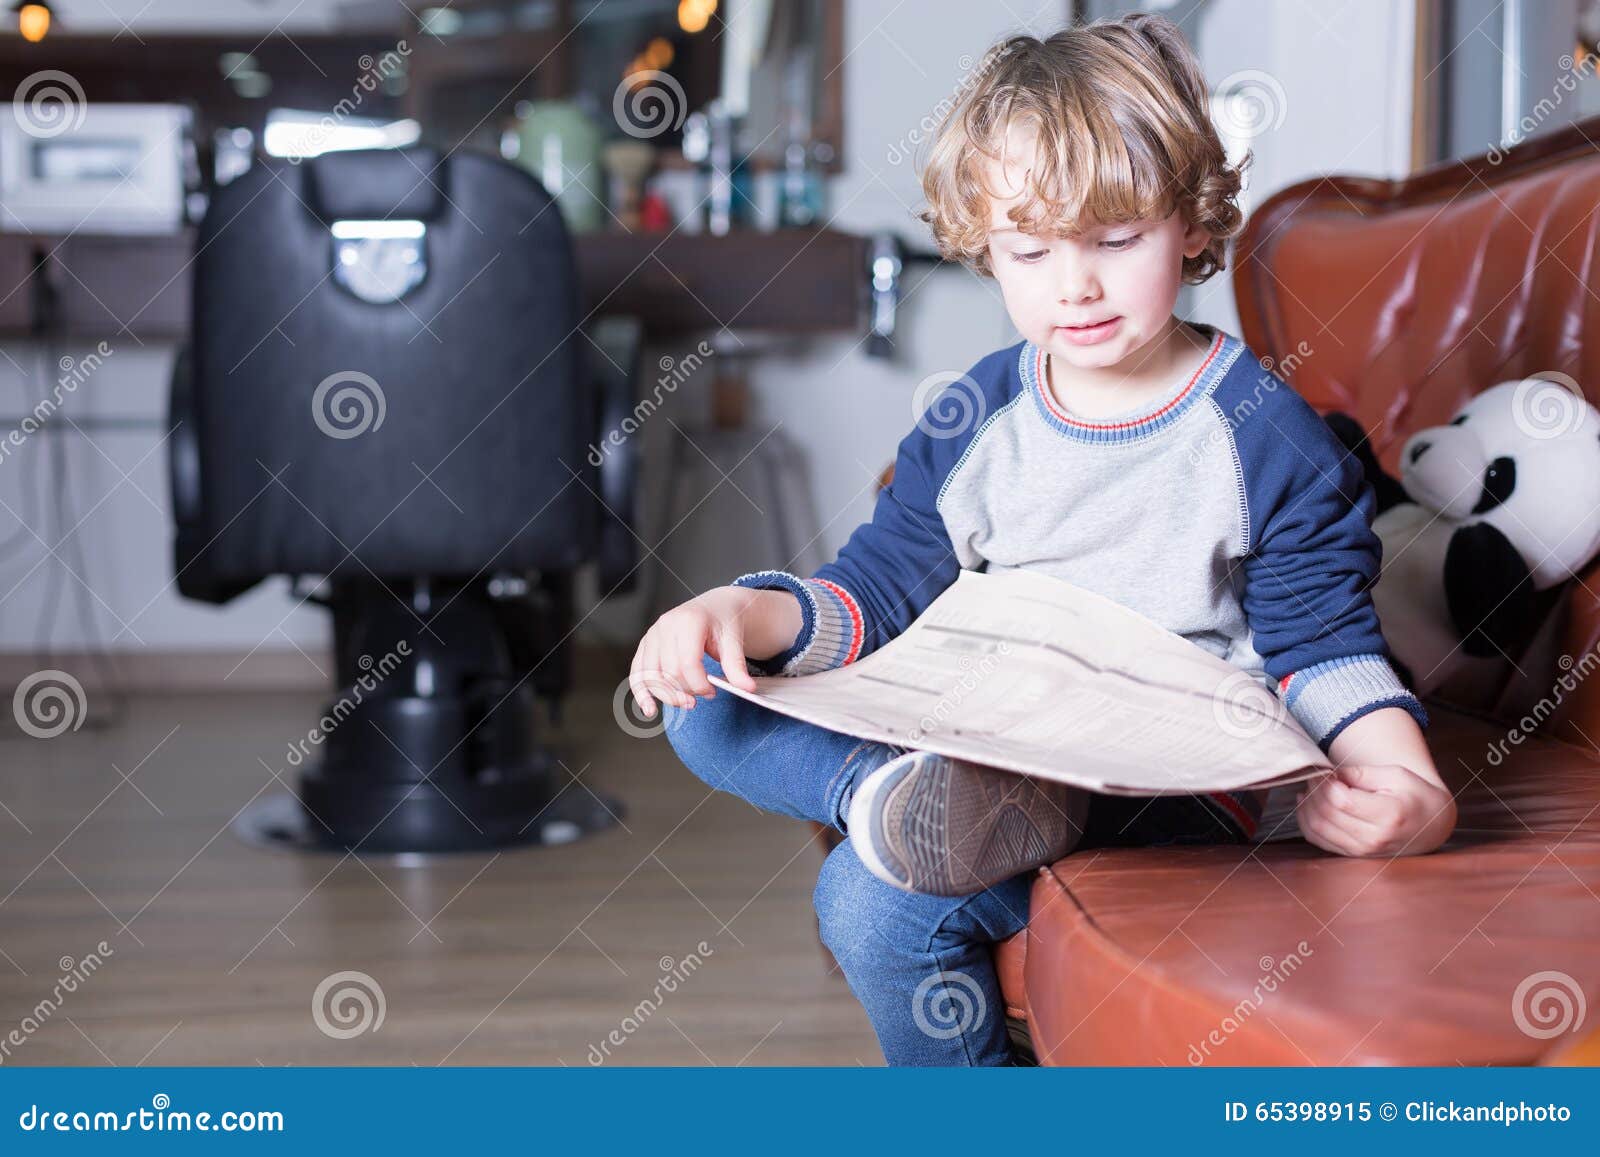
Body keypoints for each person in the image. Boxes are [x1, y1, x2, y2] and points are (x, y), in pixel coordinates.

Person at [629, 13, 1457, 1066]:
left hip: (1165, 789)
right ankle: (889, 796)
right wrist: (738, 612)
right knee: (705, 715)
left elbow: (1323, 643)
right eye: (1029, 249)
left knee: (864, 898)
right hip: (998, 740)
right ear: (986, 248)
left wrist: (1409, 789)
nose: (1074, 285)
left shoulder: (1263, 435)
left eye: (1115, 240)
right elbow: (881, 590)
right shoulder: (976, 413)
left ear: (1193, 226)